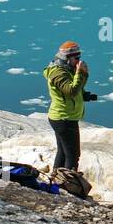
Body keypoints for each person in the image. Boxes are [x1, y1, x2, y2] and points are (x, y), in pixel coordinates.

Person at [43, 41, 97, 171]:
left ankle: (57, 182)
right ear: (67, 57)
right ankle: (67, 185)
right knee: (73, 156)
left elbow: (76, 89)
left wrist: (85, 95)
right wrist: (81, 73)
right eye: (76, 58)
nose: (79, 61)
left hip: (66, 117)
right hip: (63, 118)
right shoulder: (57, 72)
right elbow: (71, 91)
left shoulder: (67, 69)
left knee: (63, 153)